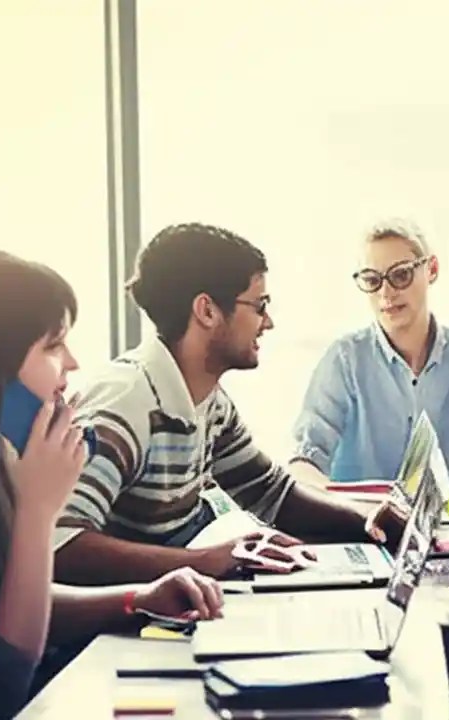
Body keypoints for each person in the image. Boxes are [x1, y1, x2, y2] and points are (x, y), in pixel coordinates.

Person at [0, 251, 224, 720]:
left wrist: (137, 597)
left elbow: (15, 602)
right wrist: (38, 513)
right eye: (54, 346)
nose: (72, 364)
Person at [53, 224, 405, 585]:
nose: (268, 322)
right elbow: (61, 546)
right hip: (111, 635)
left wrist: (369, 521)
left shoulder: (208, 402)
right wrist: (207, 562)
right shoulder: (126, 404)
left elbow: (271, 493)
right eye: (259, 305)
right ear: (207, 311)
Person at [290, 220, 449, 487]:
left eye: (400, 275)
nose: (386, 293)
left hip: (444, 525)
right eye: (372, 280)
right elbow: (304, 462)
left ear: (432, 269)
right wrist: (342, 505)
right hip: (356, 523)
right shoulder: (344, 360)